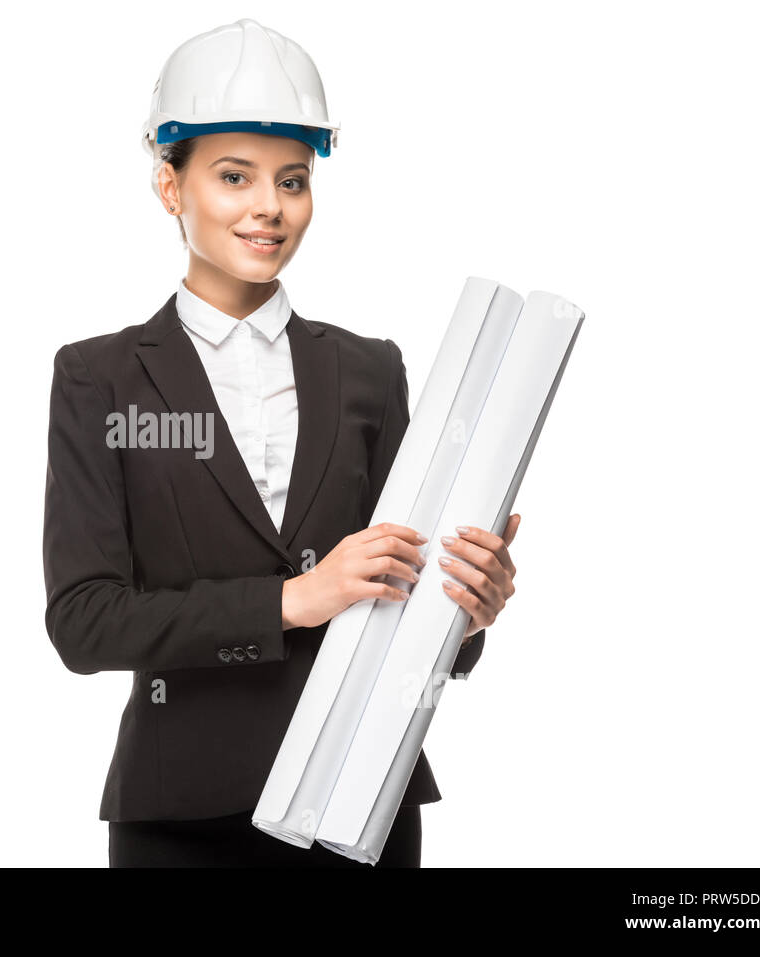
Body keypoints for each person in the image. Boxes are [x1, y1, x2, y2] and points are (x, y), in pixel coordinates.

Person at [42, 18, 519, 868]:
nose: (269, 206)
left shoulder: (370, 370)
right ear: (170, 186)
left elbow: (405, 599)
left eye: (292, 180)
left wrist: (467, 608)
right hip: (181, 818)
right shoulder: (99, 378)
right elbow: (84, 621)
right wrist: (291, 600)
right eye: (235, 176)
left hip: (360, 799)